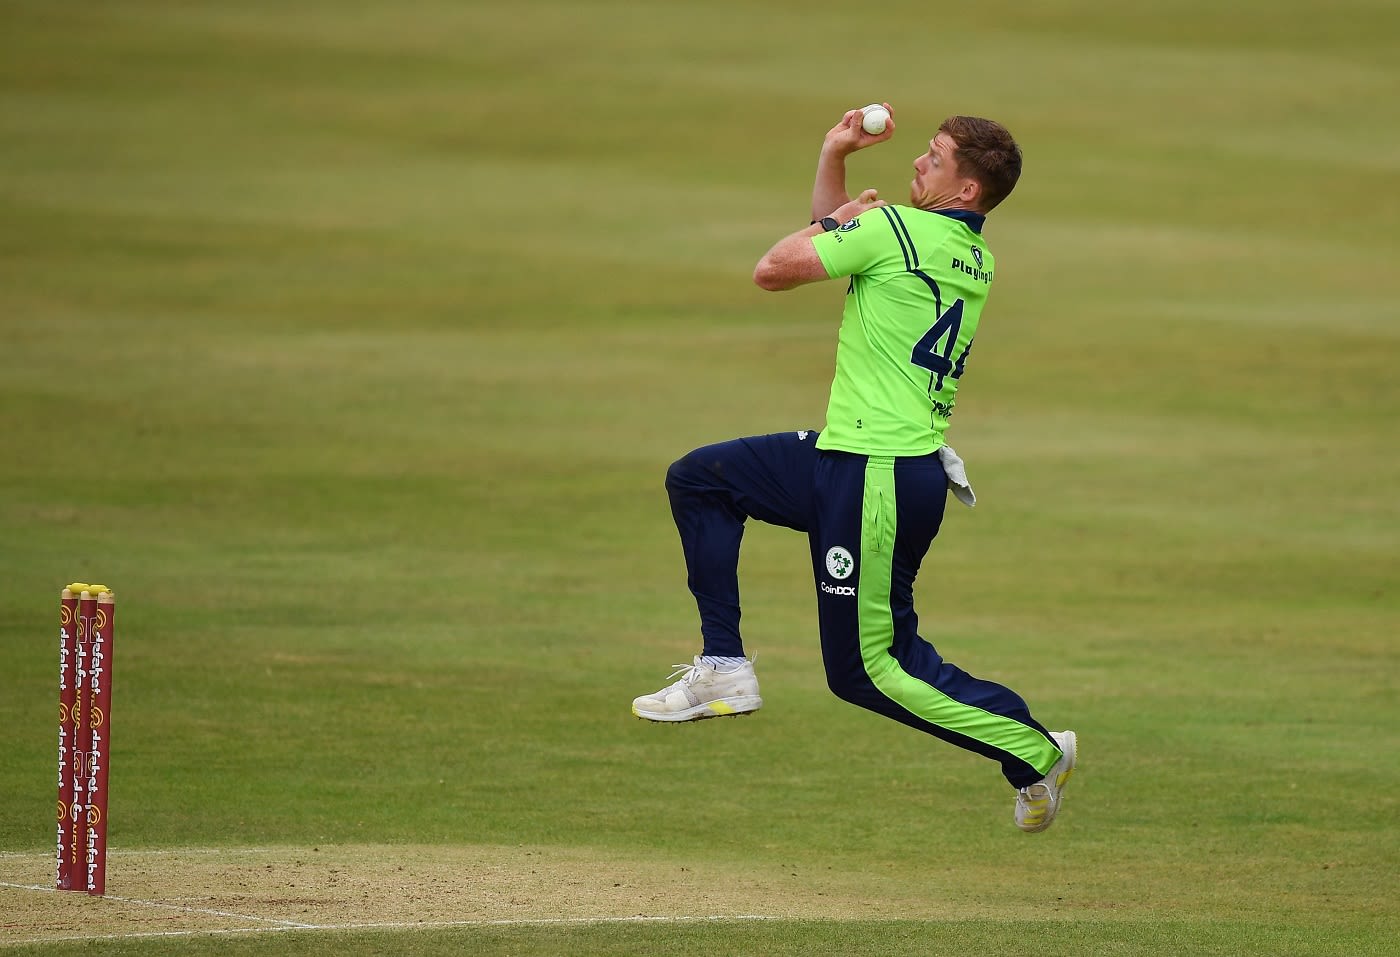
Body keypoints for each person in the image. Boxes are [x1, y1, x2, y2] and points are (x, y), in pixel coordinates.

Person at [632, 105, 1077, 833]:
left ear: (966, 190)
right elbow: (839, 239)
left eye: (933, 159)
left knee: (866, 669)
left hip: (876, 473)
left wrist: (839, 218)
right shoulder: (967, 251)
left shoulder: (896, 230)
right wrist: (832, 160)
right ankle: (723, 663)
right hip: (861, 457)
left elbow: (775, 270)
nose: (915, 166)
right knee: (701, 478)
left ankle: (1031, 749)